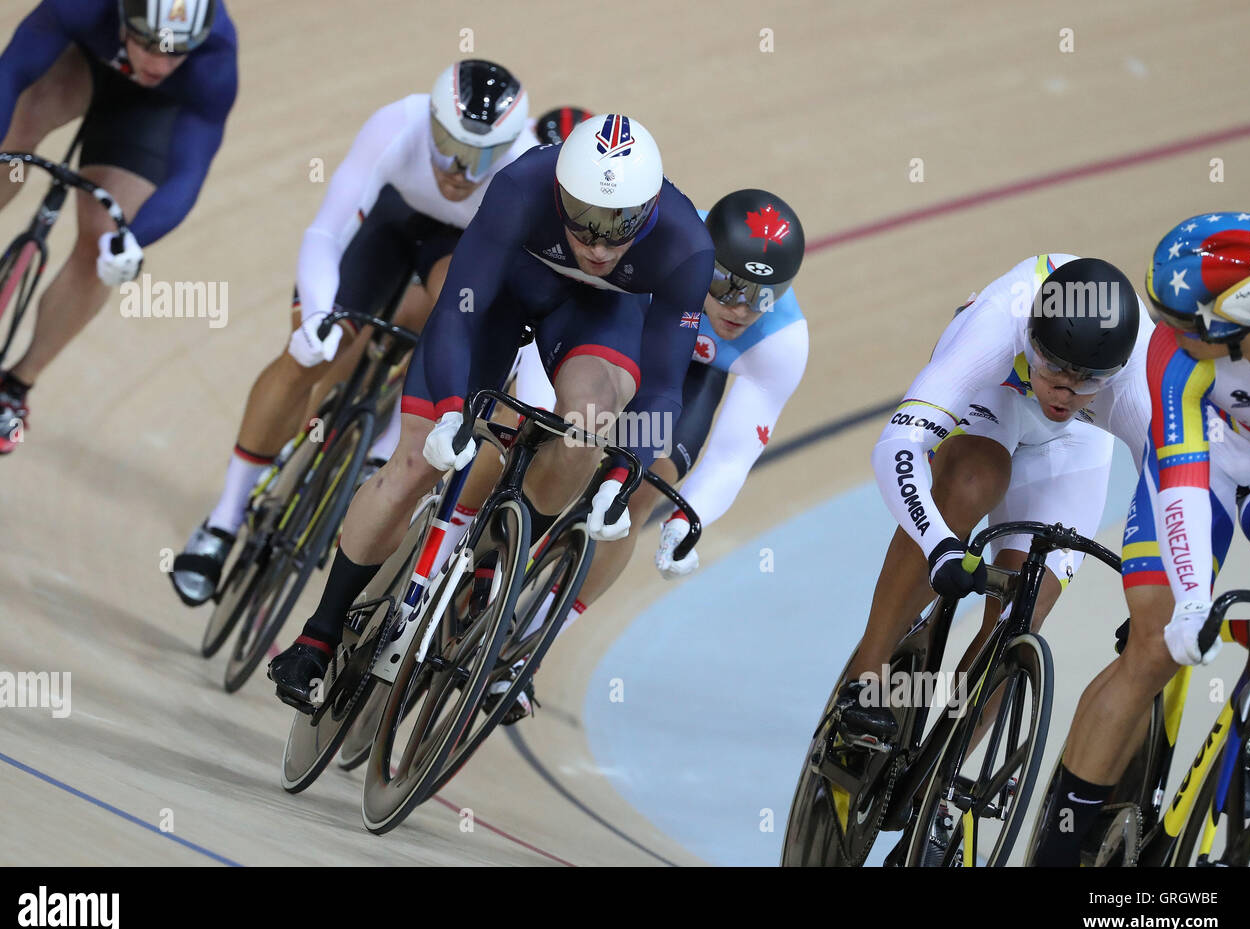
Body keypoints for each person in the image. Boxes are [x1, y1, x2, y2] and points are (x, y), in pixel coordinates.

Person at [267, 112, 716, 709]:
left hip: (598, 319)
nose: (598, 246)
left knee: (588, 427)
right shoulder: (520, 185)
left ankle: (499, 546)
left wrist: (624, 471)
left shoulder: (688, 245)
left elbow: (664, 386)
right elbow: (458, 307)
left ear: (650, 207)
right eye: (583, 224)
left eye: (618, 230)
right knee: (412, 466)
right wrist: (453, 411)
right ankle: (318, 634)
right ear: (559, 192)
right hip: (500, 296)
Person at [167, 59, 535, 604]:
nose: (458, 169)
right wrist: (317, 315)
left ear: (504, 150)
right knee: (314, 354)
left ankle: (384, 446)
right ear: (431, 123)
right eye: (449, 146)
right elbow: (325, 233)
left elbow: (501, 306)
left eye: (480, 156)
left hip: (457, 252)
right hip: (388, 224)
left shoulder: (524, 170)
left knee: (457, 316)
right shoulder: (397, 123)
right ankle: (222, 521)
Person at [480, 189, 808, 721]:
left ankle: (529, 646)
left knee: (642, 488)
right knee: (559, 424)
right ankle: (479, 550)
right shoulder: (662, 243)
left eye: (762, 296)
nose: (741, 309)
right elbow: (565, 315)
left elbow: (731, 456)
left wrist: (688, 518)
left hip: (684, 381)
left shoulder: (782, 341)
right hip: (622, 328)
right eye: (726, 285)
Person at [835, 255, 1154, 746]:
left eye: (1087, 380)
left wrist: (1159, 597)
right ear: (1032, 337)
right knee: (971, 481)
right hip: (993, 401)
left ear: (1114, 371)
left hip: (1075, 444)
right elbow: (899, 447)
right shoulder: (1000, 322)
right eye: (1053, 368)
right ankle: (868, 673)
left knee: (1025, 607)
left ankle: (938, 775)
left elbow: (1178, 496)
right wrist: (940, 544)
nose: (1065, 391)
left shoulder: (1138, 375)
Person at [1030, 212, 1250, 866]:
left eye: (1183, 325)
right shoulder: (1173, 351)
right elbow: (1184, 477)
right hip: (1212, 464)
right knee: (1154, 642)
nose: (1164, 335)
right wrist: (1194, 600)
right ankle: (1058, 853)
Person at [0, 0, 237, 454]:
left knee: (103, 248)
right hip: (79, 64)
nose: (160, 63)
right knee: (7, 151)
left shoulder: (214, 54)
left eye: (176, 53)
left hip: (149, 111)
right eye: (152, 46)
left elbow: (190, 169)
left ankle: (18, 386)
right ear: (123, 18)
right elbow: (12, 72)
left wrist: (131, 242)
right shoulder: (81, 5)